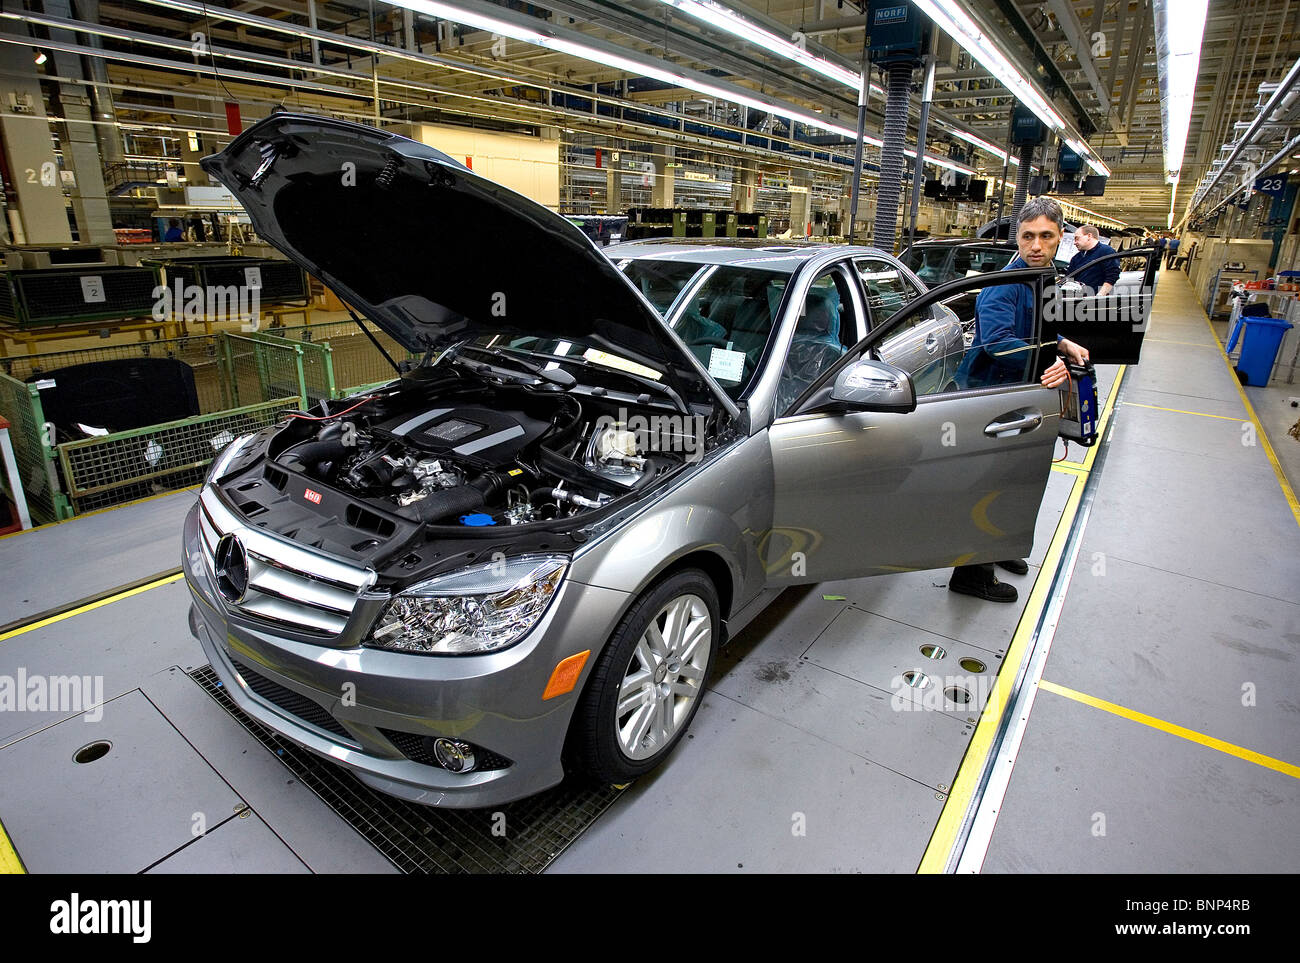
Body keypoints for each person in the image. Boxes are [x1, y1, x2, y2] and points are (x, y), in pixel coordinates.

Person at [949, 196, 1090, 603]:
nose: (1035, 246)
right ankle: (972, 574)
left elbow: (1038, 328)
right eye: (1028, 237)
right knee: (994, 484)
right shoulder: (1004, 286)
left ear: (1061, 238)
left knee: (1018, 481)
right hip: (992, 396)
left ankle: (1003, 545)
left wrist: (1064, 343)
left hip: (1024, 395)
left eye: (1046, 236)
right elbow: (1001, 345)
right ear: (1017, 238)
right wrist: (1054, 357)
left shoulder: (1045, 278)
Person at [1067, 224, 1120, 295]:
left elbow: (1112, 276)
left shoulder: (1106, 252)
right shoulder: (1076, 258)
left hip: (1096, 301)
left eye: (1077, 238)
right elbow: (1070, 278)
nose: (1074, 242)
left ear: (1089, 236)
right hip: (1078, 300)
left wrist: (1100, 295)